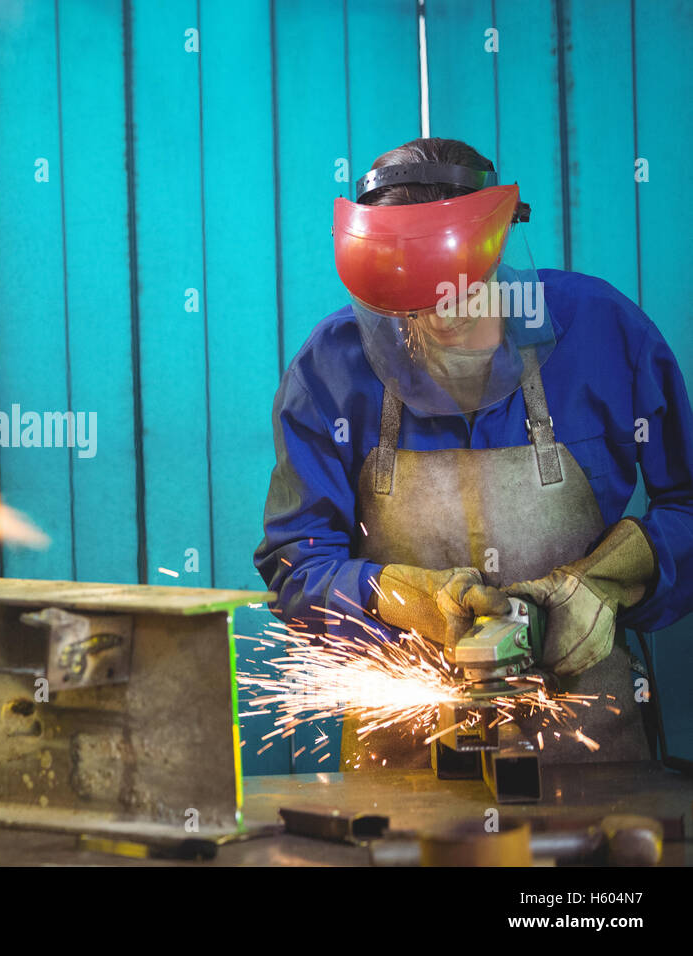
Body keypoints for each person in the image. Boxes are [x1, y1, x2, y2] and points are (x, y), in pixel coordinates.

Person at [256, 137, 693, 770]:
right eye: (416, 298)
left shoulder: (604, 333)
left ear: (497, 243)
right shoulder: (332, 368)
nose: (440, 317)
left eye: (458, 289)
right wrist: (401, 596)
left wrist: (606, 583)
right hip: (404, 743)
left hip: (588, 742)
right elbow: (296, 565)